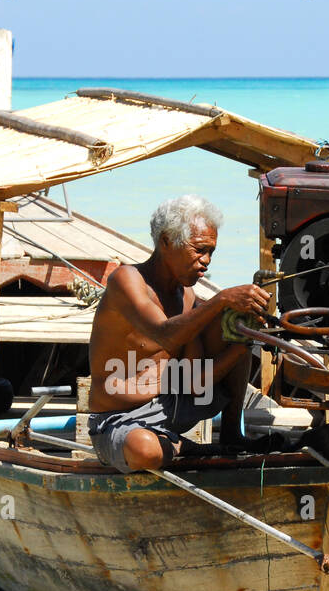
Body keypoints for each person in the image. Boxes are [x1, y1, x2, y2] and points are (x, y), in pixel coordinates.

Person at [87, 195, 271, 473]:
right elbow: (165, 335)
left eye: (211, 252)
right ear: (166, 242)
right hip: (121, 419)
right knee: (146, 451)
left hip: (175, 408)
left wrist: (244, 343)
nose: (206, 261)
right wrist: (222, 299)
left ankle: (232, 434)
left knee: (234, 324)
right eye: (199, 250)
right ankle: (188, 448)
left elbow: (196, 382)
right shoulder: (126, 280)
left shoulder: (185, 294)